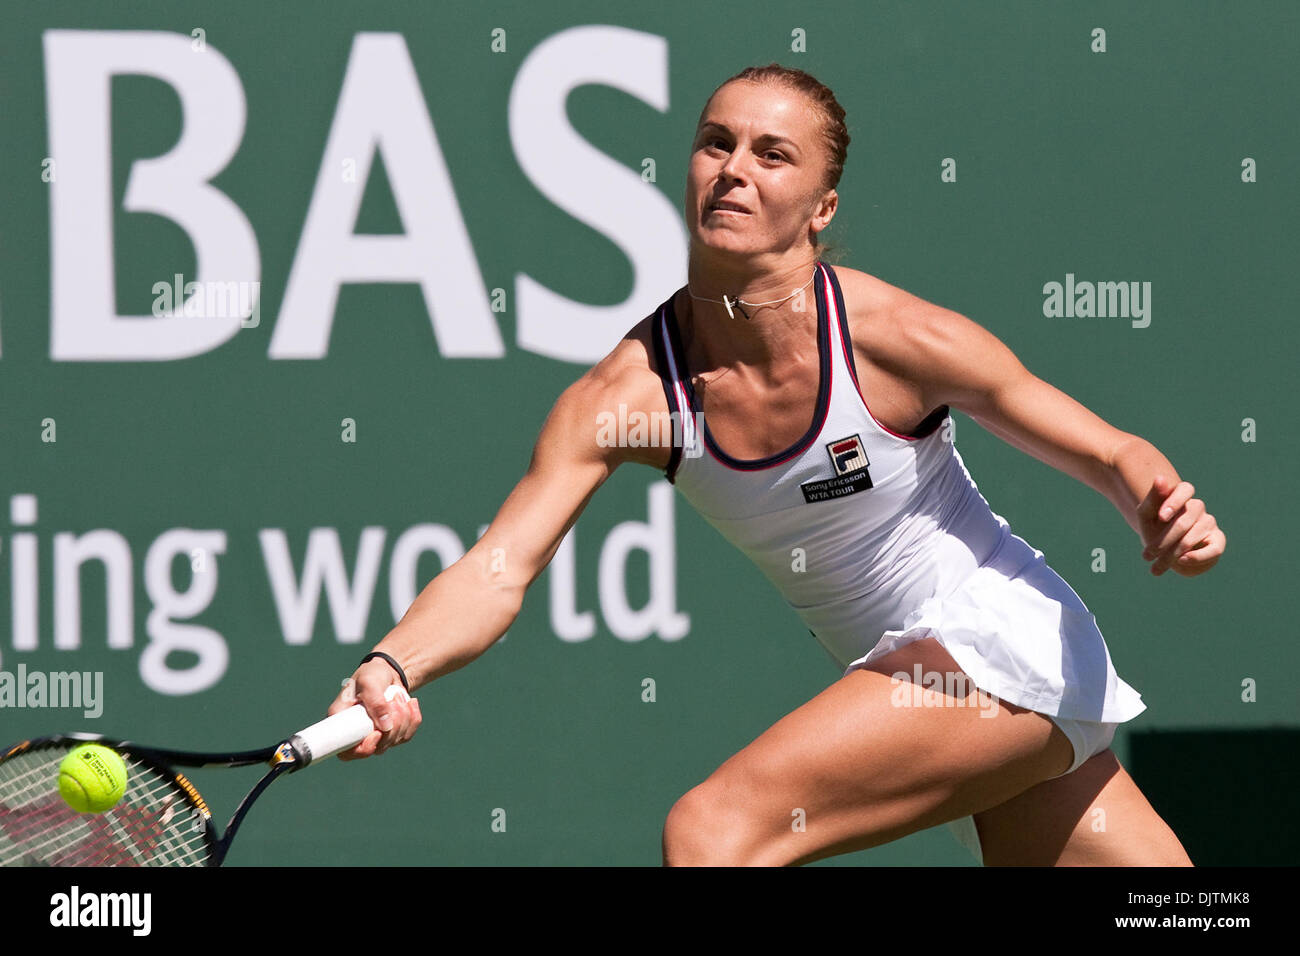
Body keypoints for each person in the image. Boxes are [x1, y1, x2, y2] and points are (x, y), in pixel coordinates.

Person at [328, 64, 1224, 866]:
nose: (734, 170)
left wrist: (1157, 501)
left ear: (821, 207)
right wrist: (396, 661)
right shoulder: (625, 397)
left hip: (1003, 643)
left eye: (772, 155)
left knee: (714, 833)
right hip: (928, 693)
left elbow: (1108, 451)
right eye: (716, 143)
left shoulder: (896, 338)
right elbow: (500, 568)